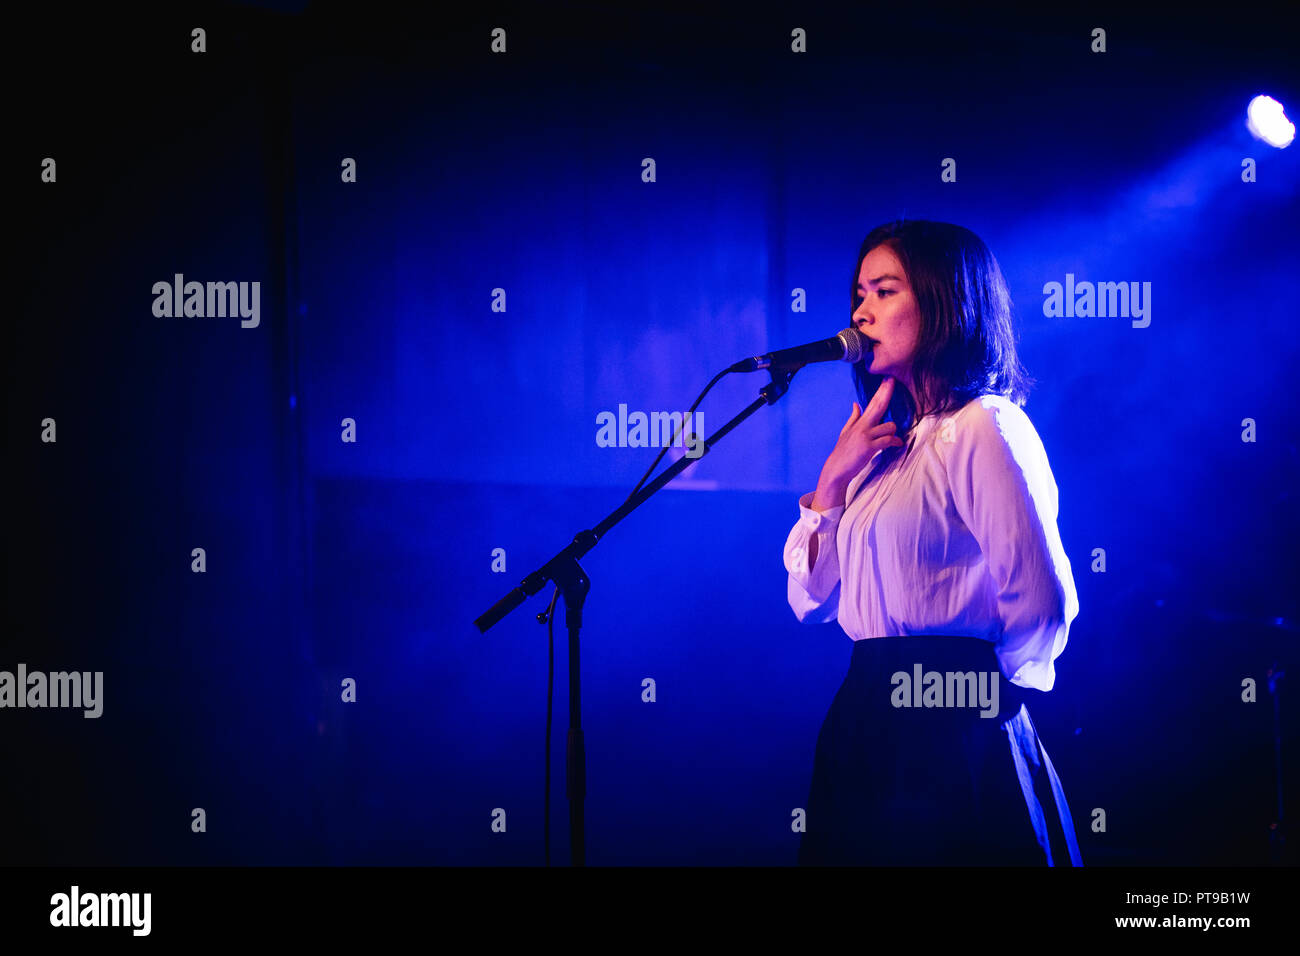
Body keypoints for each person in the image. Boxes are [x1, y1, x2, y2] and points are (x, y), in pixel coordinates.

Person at [784, 219, 1084, 866]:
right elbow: (810, 601)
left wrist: (980, 700)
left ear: (945, 300)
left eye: (885, 290)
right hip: (864, 706)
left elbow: (1043, 602)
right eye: (859, 292)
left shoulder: (984, 425)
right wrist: (832, 480)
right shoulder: (884, 446)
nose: (861, 311)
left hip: (953, 715)